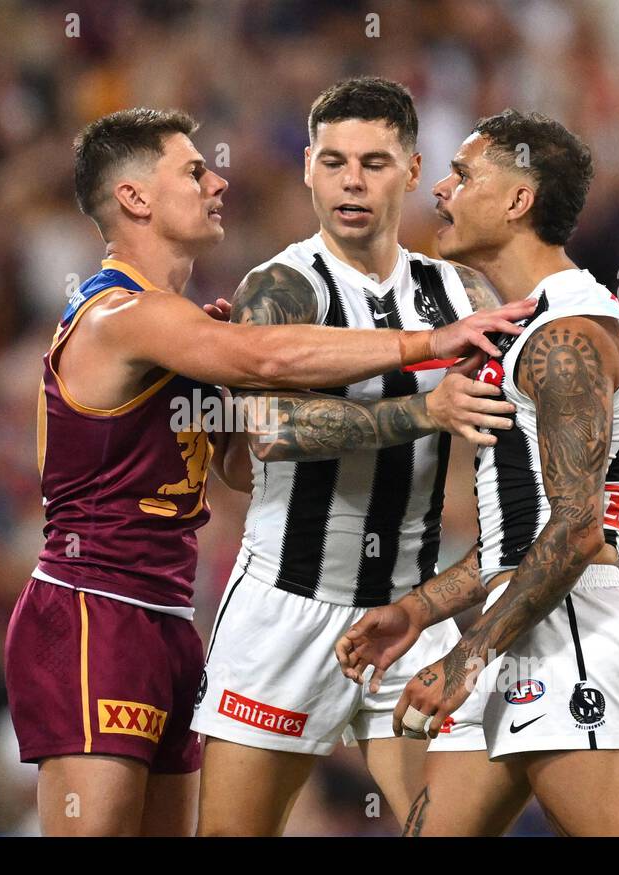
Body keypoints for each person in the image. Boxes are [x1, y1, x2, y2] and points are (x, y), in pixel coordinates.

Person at [4, 106, 533, 836]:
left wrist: (241, 404)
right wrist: (428, 348)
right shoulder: (122, 313)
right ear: (134, 198)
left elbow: (242, 464)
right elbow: (267, 357)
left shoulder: (181, 325)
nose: (217, 179)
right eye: (193, 171)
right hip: (94, 606)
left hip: (164, 610)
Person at [191, 77, 525, 835]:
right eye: (335, 160)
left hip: (406, 610)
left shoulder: (462, 293)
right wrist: (424, 408)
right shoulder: (278, 286)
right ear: (308, 166)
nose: (352, 180)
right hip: (285, 607)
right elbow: (270, 429)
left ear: (412, 171)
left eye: (375, 162)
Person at [337, 110, 619, 836]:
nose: (440, 188)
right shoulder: (526, 325)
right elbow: (526, 536)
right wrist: (419, 613)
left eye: (464, 173)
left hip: (568, 626)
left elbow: (574, 532)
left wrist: (467, 657)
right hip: (523, 617)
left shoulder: (566, 338)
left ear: (518, 201)